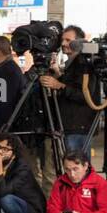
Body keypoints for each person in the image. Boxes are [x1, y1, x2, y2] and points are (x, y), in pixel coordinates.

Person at [37, 25, 99, 159]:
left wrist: (59, 85)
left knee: (77, 167)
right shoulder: (72, 63)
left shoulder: (84, 63)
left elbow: (84, 95)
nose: (63, 43)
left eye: (68, 40)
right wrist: (59, 76)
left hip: (78, 127)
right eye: (62, 40)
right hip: (70, 126)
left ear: (79, 42)